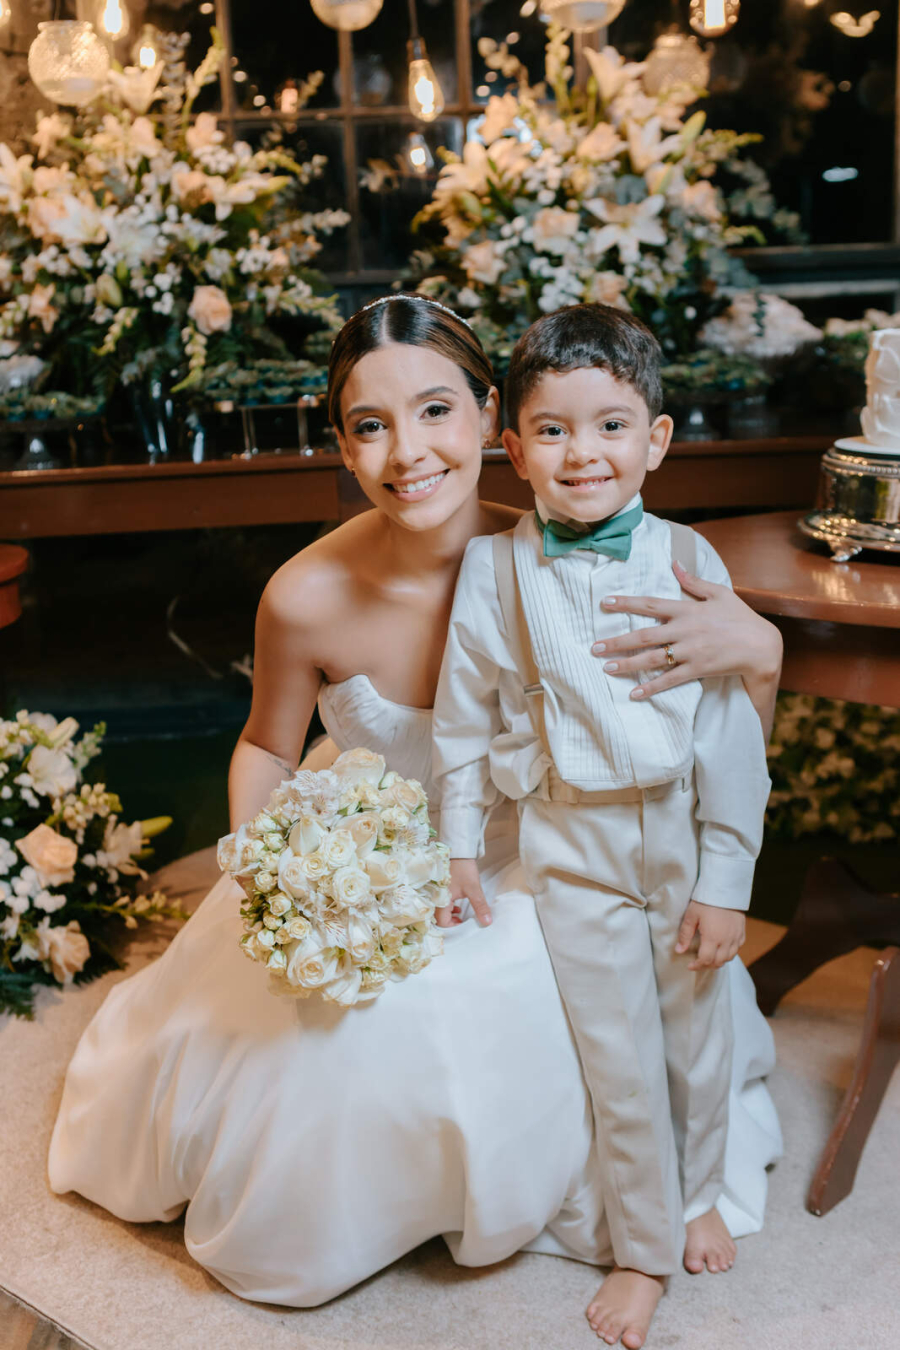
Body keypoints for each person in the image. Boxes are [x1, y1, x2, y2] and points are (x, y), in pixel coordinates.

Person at [48, 295, 781, 1314]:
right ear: (342, 445)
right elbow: (267, 745)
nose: (408, 454)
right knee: (322, 1035)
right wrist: (276, 862)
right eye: (370, 425)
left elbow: (714, 737)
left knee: (553, 999)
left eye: (436, 411)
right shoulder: (303, 595)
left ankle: (650, 1200)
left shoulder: (579, 544)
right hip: (384, 842)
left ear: (495, 424)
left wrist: (764, 650)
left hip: (557, 837)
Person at [432, 303, 773, 1348]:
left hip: (679, 829)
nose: (585, 453)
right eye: (554, 430)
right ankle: (643, 1246)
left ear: (656, 441)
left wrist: (727, 880)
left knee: (698, 1033)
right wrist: (457, 843)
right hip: (570, 844)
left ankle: (705, 1184)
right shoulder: (495, 572)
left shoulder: (690, 559)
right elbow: (461, 718)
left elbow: (729, 739)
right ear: (515, 448)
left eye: (613, 425)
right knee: (619, 1054)